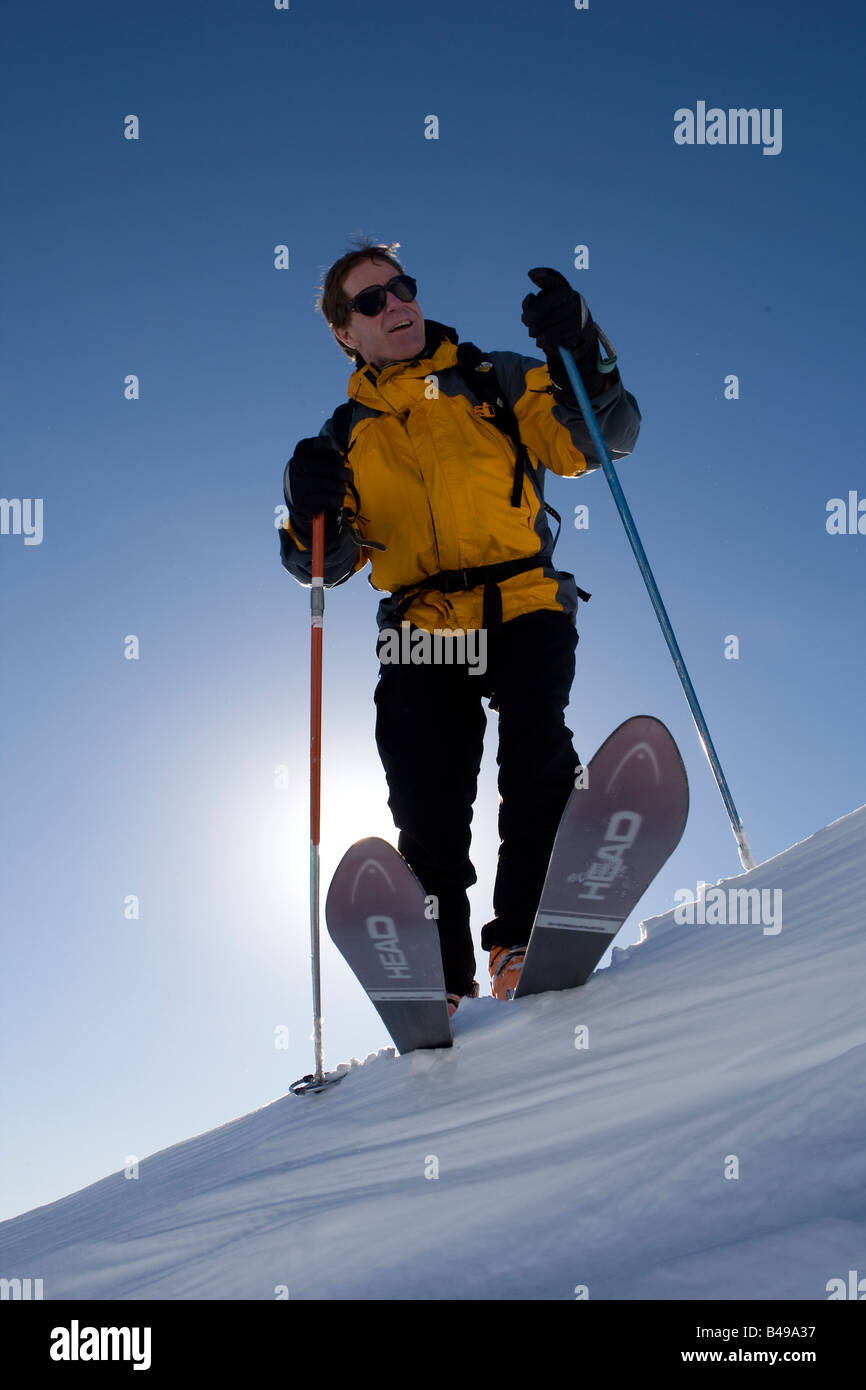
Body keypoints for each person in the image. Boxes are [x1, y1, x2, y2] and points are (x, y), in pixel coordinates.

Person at [280, 239, 641, 1013]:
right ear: (346, 332)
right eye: (371, 301)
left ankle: (523, 941)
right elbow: (326, 564)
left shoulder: (494, 377)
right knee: (427, 803)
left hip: (522, 598)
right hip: (418, 620)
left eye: (401, 286)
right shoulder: (343, 435)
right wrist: (305, 509)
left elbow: (602, 441)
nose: (396, 304)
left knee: (536, 752)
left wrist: (585, 348)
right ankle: (441, 985)